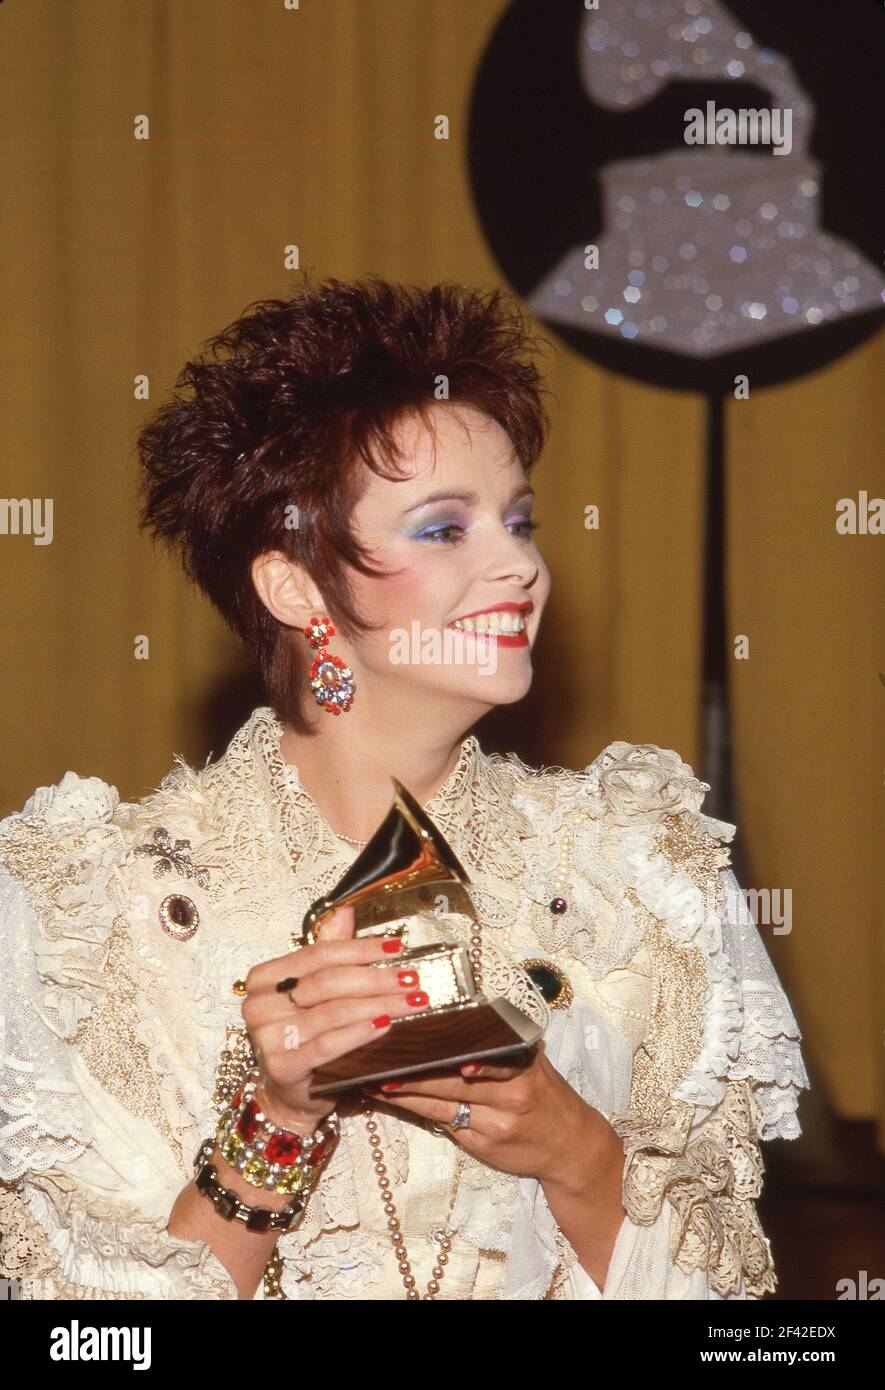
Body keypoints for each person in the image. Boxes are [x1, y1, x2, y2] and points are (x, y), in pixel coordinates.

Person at [0, 275, 808, 1300]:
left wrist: (579, 1154)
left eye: (520, 519)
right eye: (444, 528)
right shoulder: (88, 908)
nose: (519, 565)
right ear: (295, 586)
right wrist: (276, 1122)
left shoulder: (644, 873)